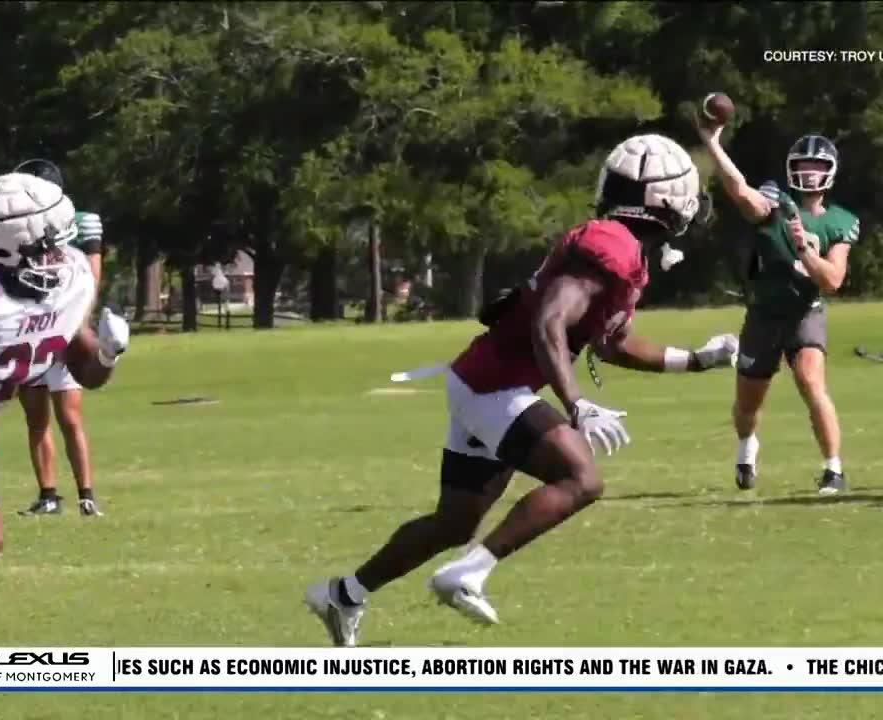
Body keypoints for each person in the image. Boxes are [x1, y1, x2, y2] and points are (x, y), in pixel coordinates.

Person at [305, 134, 739, 647]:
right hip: (495, 386)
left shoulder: (624, 250)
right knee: (581, 479)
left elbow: (614, 343)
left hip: (480, 382)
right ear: (666, 200)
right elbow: (550, 324)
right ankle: (467, 575)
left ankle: (343, 594)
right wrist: (576, 405)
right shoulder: (613, 246)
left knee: (454, 522)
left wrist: (695, 361)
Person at [0, 172, 129, 569]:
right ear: (7, 249)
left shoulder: (68, 282)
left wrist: (107, 353)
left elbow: (86, 373)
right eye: (48, 246)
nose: (61, 256)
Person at [696, 120, 857, 495]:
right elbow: (738, 190)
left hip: (806, 311)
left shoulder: (842, 221)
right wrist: (712, 143)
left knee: (811, 382)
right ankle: (746, 444)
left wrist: (804, 250)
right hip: (764, 314)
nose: (809, 174)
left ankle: (834, 469)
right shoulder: (774, 207)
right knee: (747, 405)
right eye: (802, 166)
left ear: (830, 172)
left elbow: (832, 280)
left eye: (816, 167)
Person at [11, 159, 106, 517]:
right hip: (32, 330)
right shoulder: (15, 227)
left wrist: (77, 320)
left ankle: (86, 493)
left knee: (70, 418)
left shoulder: (81, 221)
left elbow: (93, 275)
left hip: (64, 330)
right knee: (36, 420)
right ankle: (48, 494)